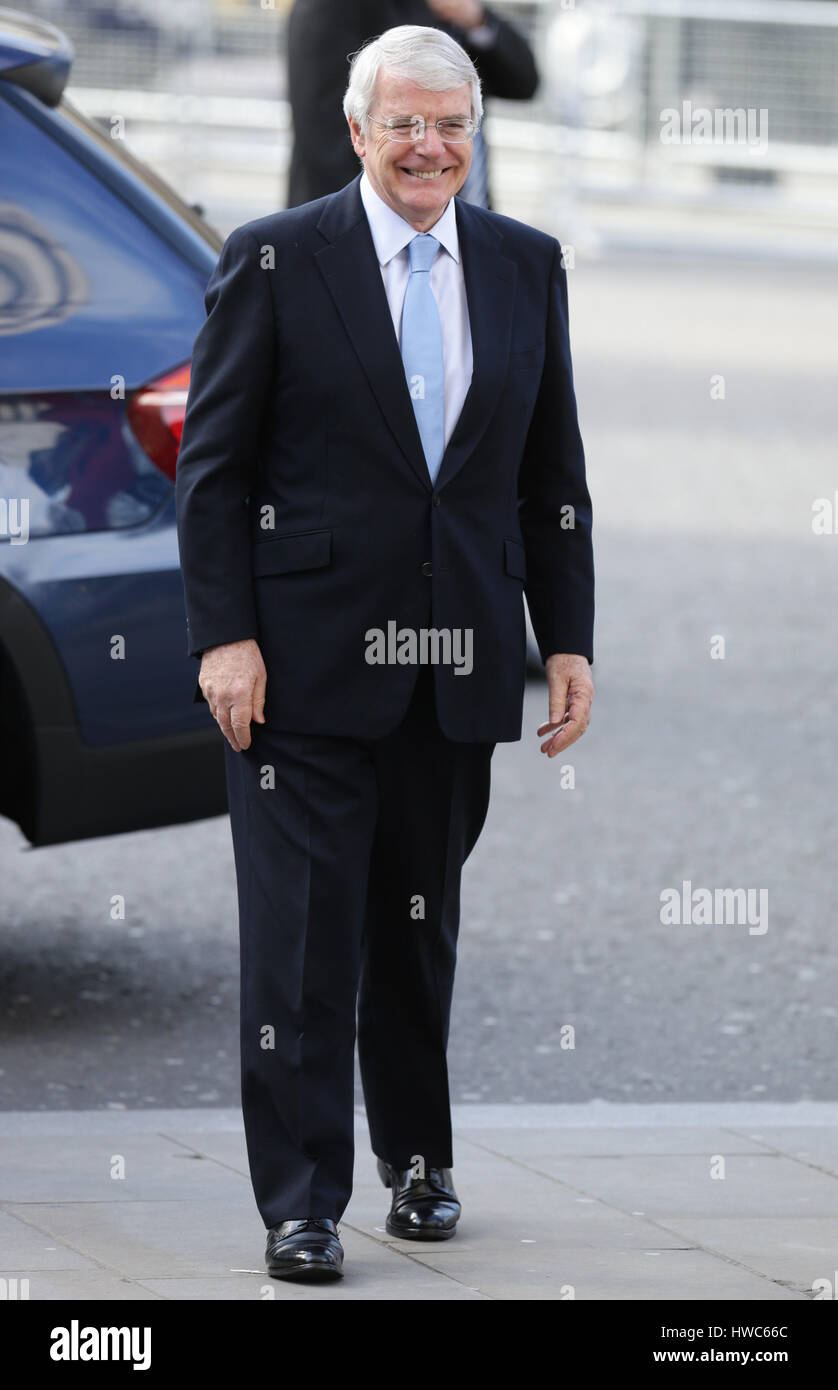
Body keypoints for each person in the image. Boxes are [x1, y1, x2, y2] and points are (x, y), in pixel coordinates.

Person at [175, 23, 594, 1283]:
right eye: (404, 122)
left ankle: (421, 1160)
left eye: (450, 124)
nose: (429, 145)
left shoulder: (525, 264)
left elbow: (549, 475)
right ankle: (301, 1200)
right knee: (302, 942)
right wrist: (225, 639)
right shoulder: (276, 257)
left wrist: (564, 639)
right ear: (357, 132)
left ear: (475, 136)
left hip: (457, 656)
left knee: (418, 926)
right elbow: (213, 472)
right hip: (298, 663)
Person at [286, 0, 538, 209]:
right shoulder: (332, 7)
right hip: (371, 227)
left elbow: (524, 83)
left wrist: (477, 21)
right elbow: (324, 138)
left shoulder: (456, 9)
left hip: (461, 220)